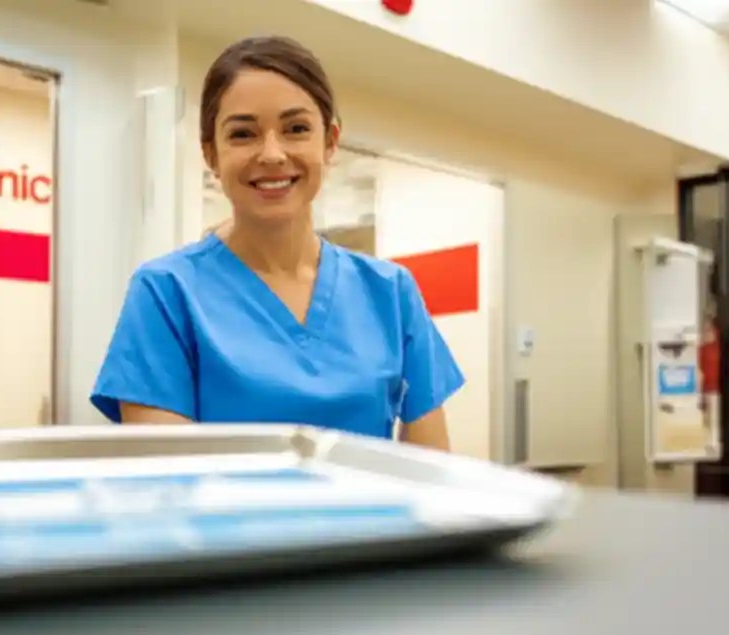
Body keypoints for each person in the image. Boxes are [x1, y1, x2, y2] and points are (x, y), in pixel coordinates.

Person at [90, 36, 463, 451]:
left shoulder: (392, 293)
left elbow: (432, 475)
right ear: (211, 154)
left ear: (330, 142)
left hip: (379, 519)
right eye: (243, 134)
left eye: (296, 129)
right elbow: (163, 481)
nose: (272, 153)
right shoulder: (165, 293)